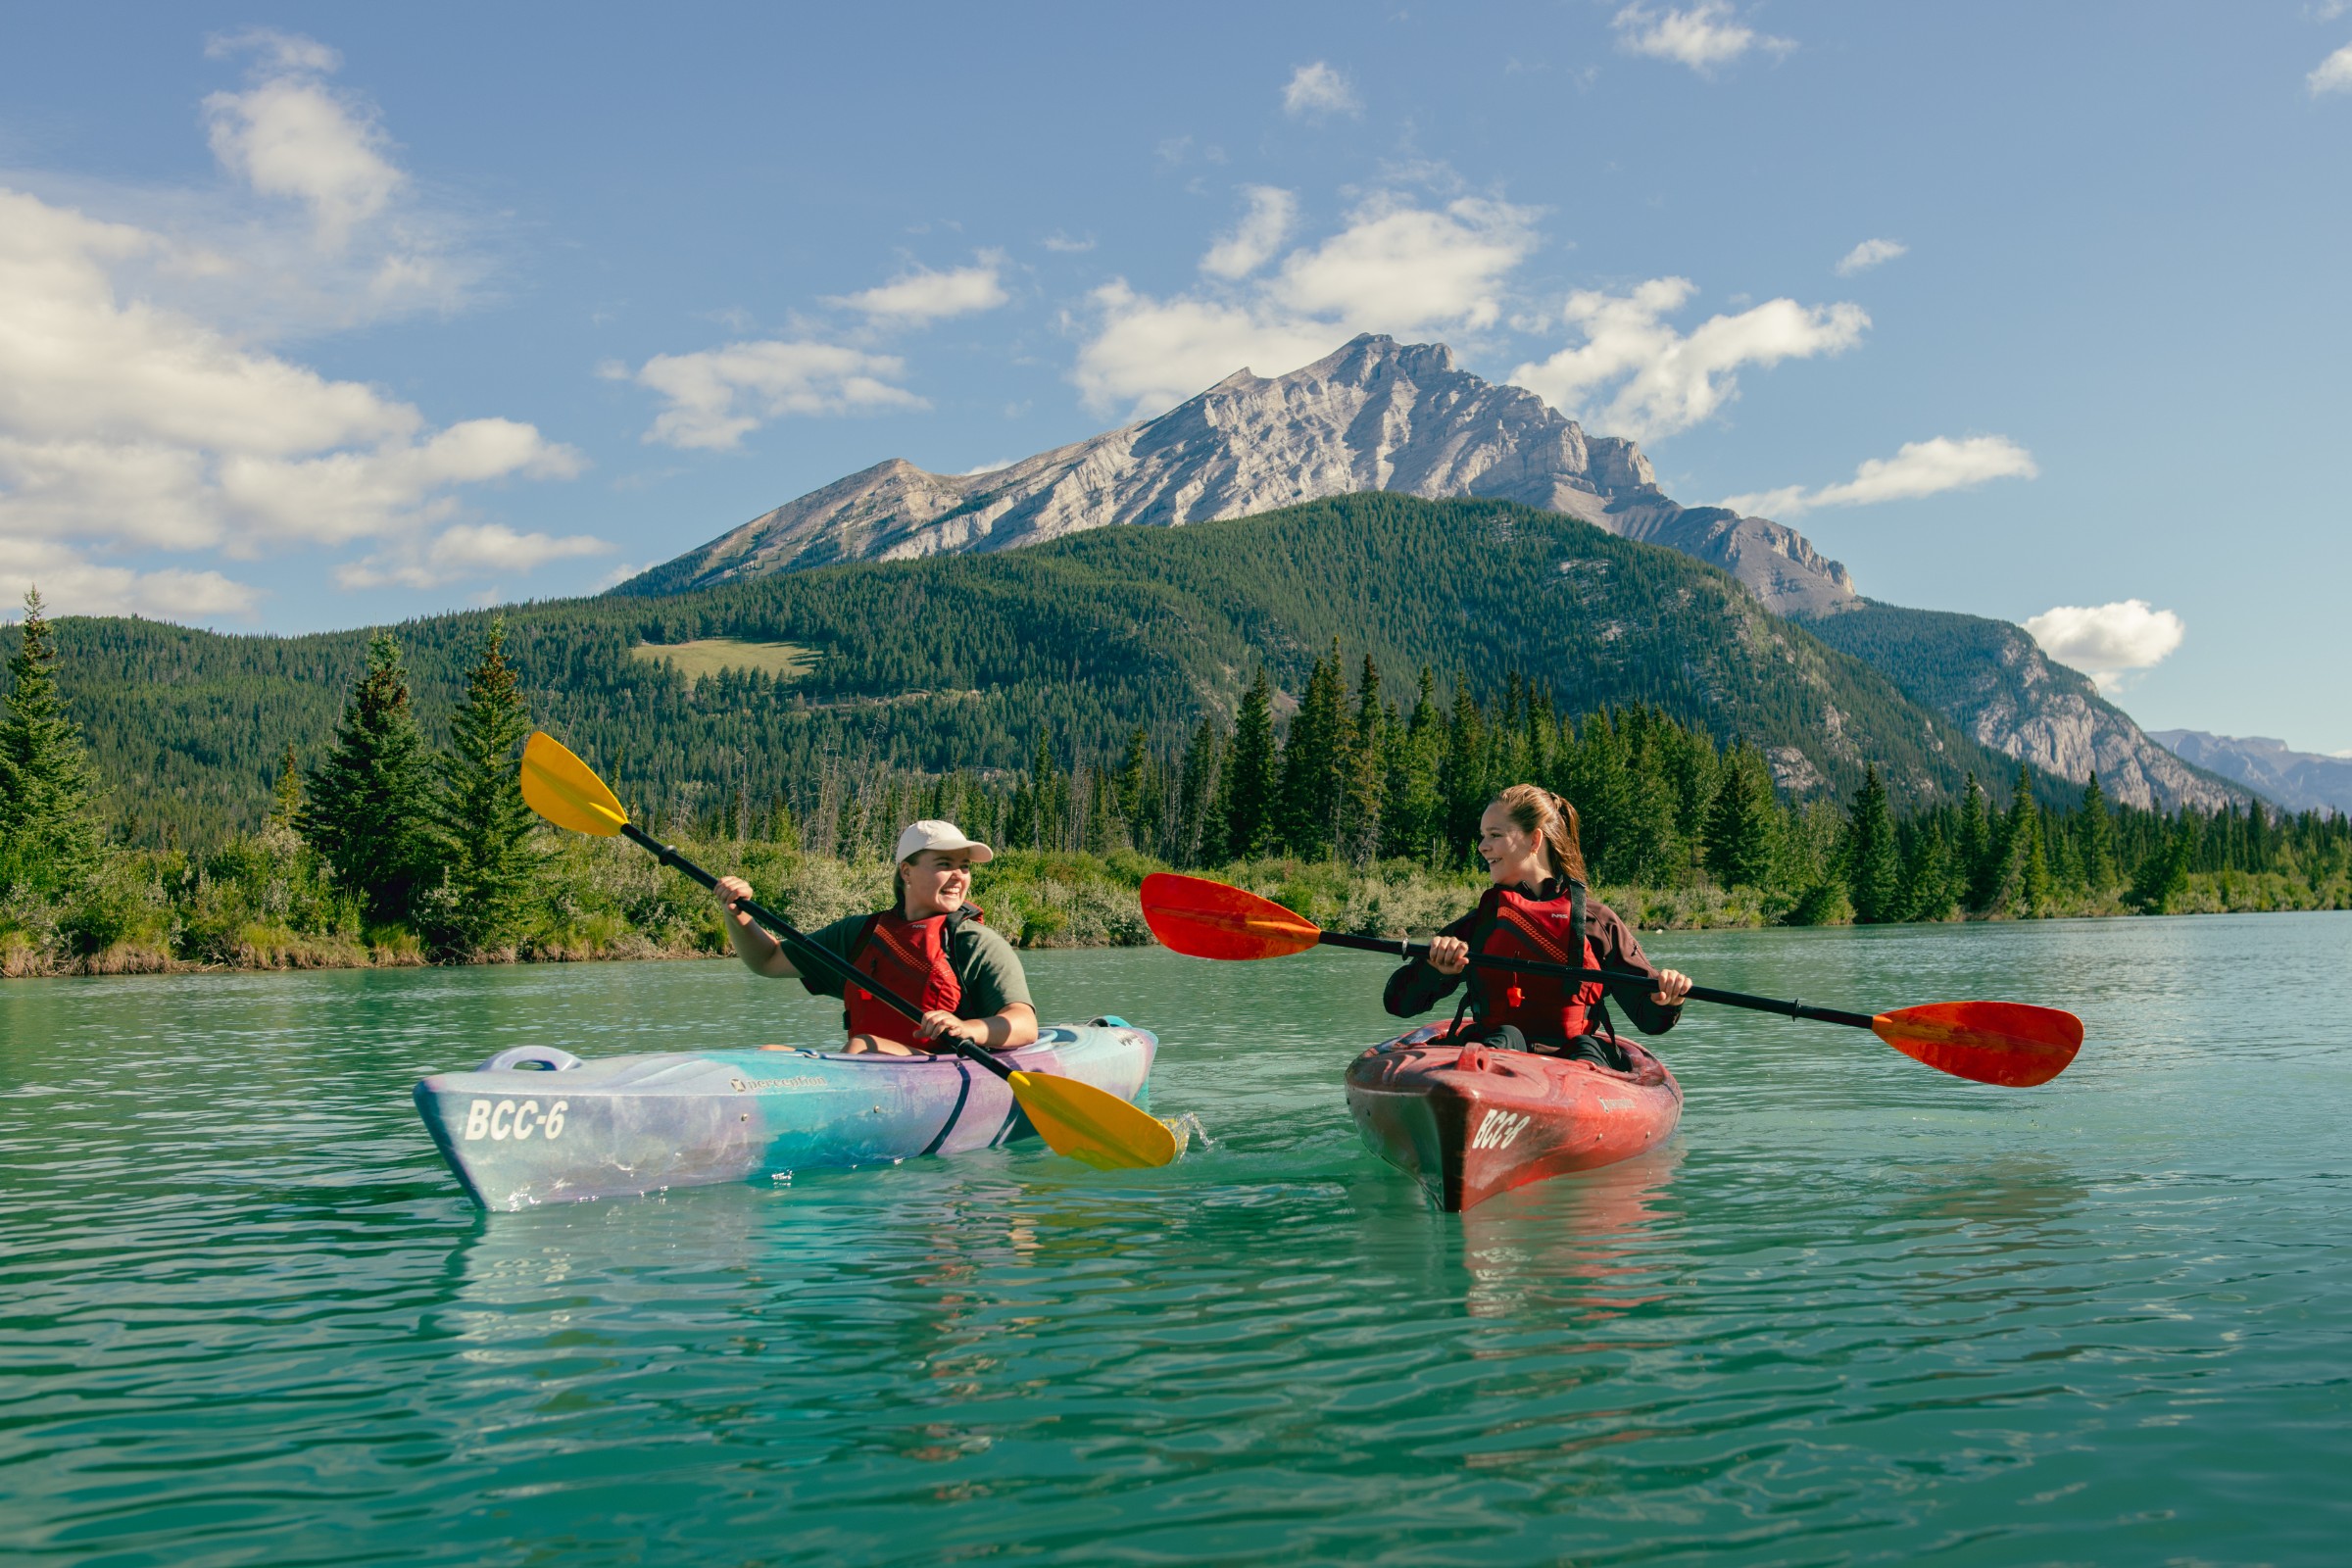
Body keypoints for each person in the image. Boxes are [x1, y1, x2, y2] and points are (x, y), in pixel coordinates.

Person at [1384, 783, 1692, 1067]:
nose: (1481, 846)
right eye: (1482, 835)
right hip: (1496, 1056)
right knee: (1505, 1037)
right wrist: (1434, 970)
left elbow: (1649, 1019)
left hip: (1578, 1064)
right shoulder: (1479, 924)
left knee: (1586, 1047)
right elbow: (1398, 1002)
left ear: (1534, 840)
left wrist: (1666, 1000)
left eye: (1495, 835)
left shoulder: (1596, 924)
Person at [713, 819, 1039, 1055]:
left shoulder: (975, 943)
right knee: (770, 1052)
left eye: (964, 867)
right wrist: (737, 913)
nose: (959, 877)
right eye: (944, 864)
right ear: (906, 872)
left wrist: (970, 1029)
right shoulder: (859, 934)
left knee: (861, 1045)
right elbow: (767, 961)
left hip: (943, 1070)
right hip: (871, 1072)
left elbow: (1024, 1025)